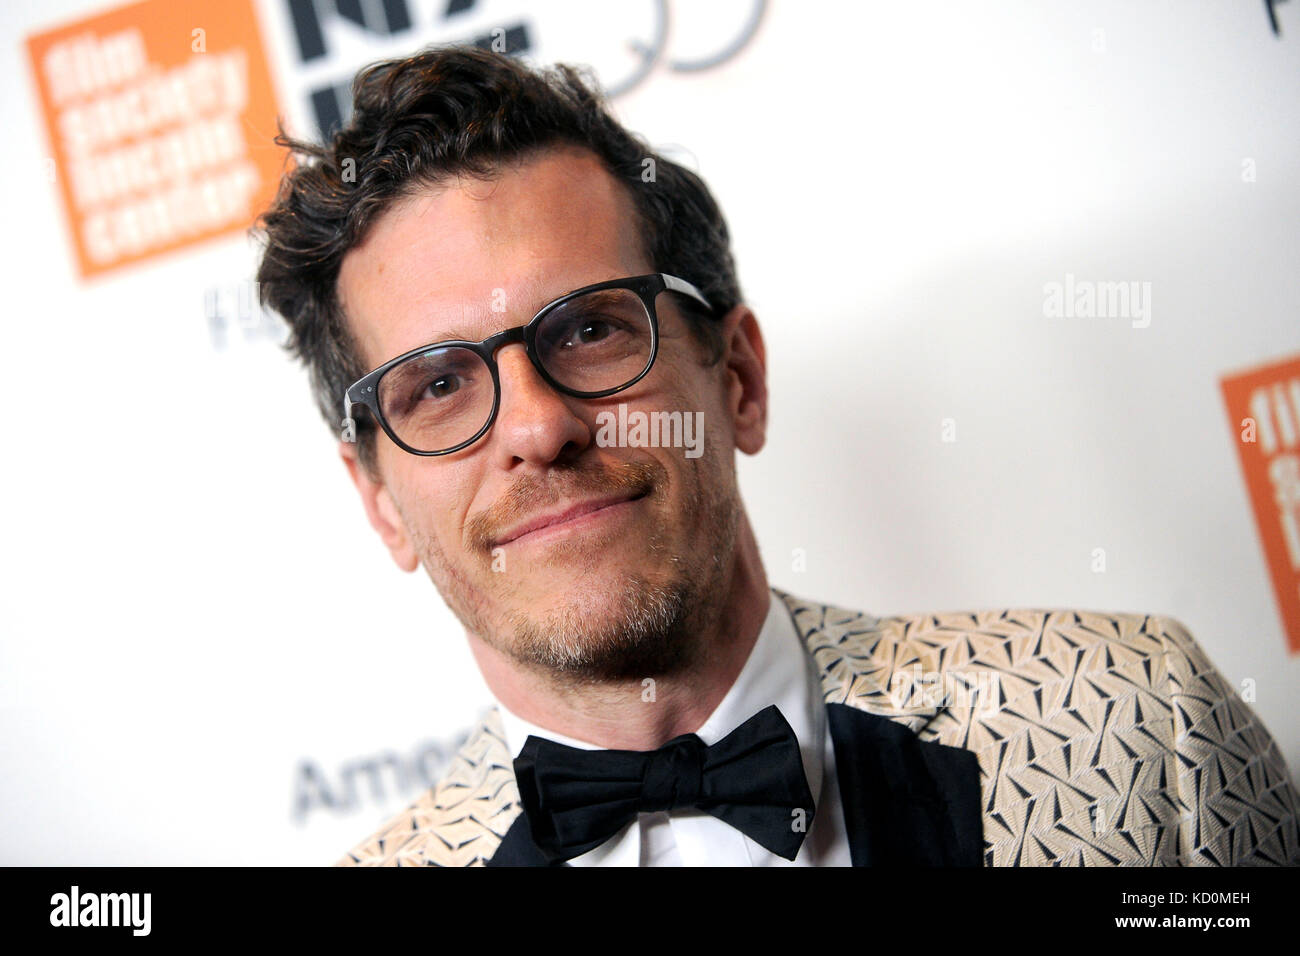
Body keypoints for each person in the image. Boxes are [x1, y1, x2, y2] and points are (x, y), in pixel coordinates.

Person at [255, 46, 1300, 866]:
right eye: (436, 386)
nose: (536, 427)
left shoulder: (1138, 727)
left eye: (589, 331)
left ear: (739, 379)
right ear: (380, 502)